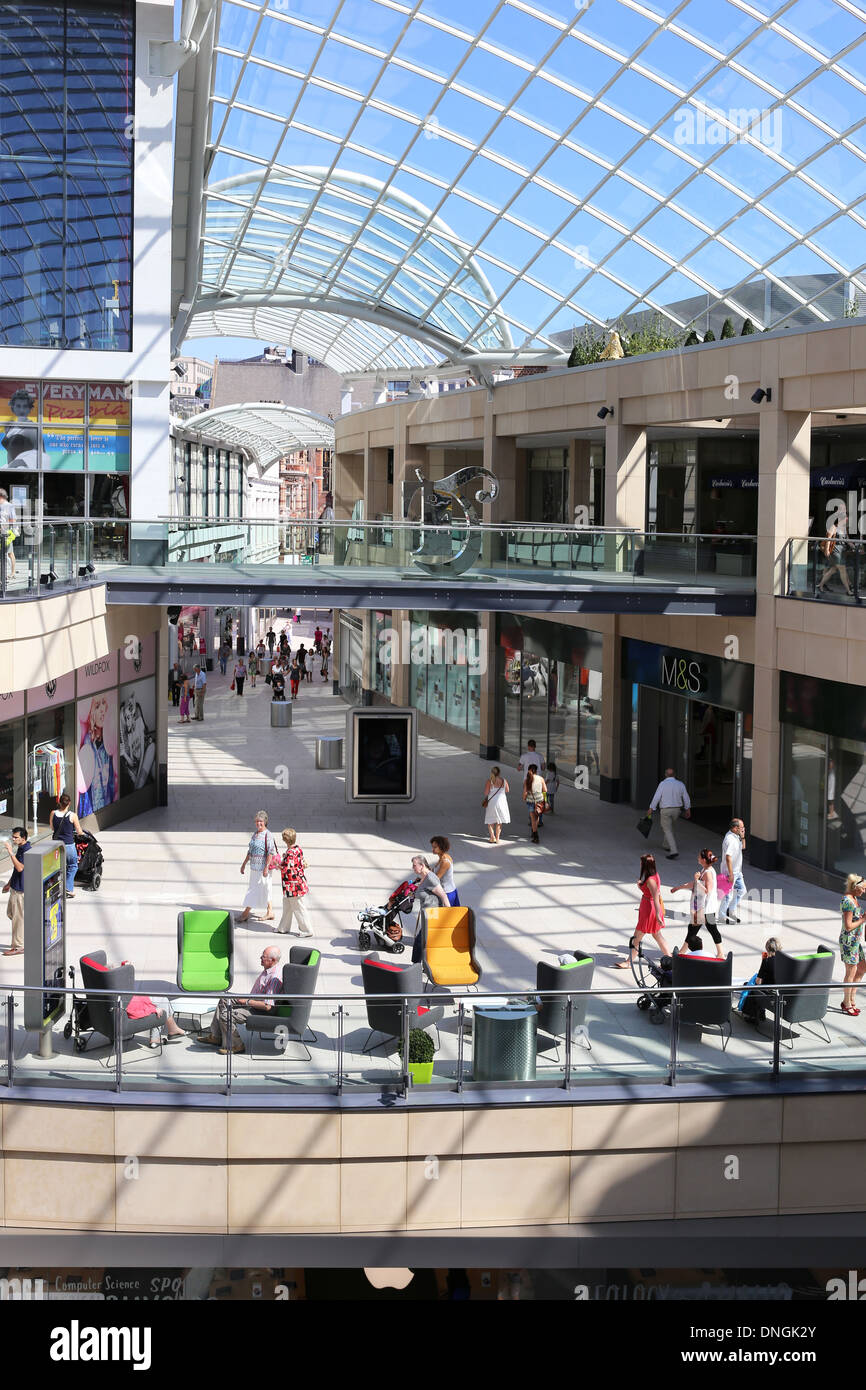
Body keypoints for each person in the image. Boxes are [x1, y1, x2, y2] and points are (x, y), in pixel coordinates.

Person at [198, 945, 283, 1055]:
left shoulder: (275, 978)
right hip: (253, 1001)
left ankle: (236, 1045)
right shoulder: (269, 969)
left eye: (263, 956)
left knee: (226, 1015)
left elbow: (268, 1006)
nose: (260, 958)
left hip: (259, 1009)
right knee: (225, 999)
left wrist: (247, 1002)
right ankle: (216, 1036)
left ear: (272, 960)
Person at [616, 852, 672, 969]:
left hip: (649, 910)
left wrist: (657, 914)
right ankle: (670, 958)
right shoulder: (654, 875)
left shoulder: (651, 879)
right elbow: (652, 893)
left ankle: (628, 962)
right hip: (648, 907)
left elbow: (655, 897)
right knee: (657, 935)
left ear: (645, 864)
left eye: (641, 862)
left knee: (636, 938)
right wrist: (641, 885)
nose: (640, 864)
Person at [670, 848, 723, 958]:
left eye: (699, 857)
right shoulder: (705, 870)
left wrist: (697, 880)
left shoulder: (708, 873)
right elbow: (694, 884)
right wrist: (679, 887)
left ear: (704, 859)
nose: (697, 858)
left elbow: (707, 890)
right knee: (696, 929)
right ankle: (682, 952)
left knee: (706, 929)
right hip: (704, 908)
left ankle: (720, 953)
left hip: (706, 908)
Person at [238, 811, 279, 924]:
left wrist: (266, 867)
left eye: (260, 821)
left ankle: (246, 913)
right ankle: (270, 911)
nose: (258, 823)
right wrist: (243, 864)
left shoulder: (268, 835)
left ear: (265, 821)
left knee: (254, 889)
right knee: (264, 888)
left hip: (263, 869)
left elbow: (271, 852)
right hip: (254, 868)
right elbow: (250, 851)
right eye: (256, 821)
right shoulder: (255, 834)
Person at [77, 694, 115, 815]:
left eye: (104, 705)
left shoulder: (110, 741)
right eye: (98, 706)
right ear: (92, 712)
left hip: (108, 801)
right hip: (93, 805)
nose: (102, 710)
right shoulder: (88, 741)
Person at [276, 828, 313, 936]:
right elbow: (297, 863)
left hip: (292, 887)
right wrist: (284, 857)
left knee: (299, 908)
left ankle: (307, 930)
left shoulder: (290, 853)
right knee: (287, 906)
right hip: (297, 884)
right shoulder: (297, 849)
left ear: (285, 840)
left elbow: (287, 869)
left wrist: (277, 864)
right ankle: (283, 928)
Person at [648, 767, 691, 859]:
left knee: (667, 829)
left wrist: (651, 808)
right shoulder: (680, 784)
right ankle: (666, 845)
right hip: (677, 810)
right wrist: (687, 809)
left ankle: (673, 850)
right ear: (674, 775)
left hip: (665, 810)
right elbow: (686, 797)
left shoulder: (662, 784)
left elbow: (657, 797)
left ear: (666, 775)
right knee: (669, 827)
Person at [839, 874, 866, 1015]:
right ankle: (846, 1002)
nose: (864, 891)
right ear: (855, 888)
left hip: (856, 941)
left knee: (862, 968)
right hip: (848, 942)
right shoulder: (847, 901)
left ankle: (852, 998)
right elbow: (849, 926)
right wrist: (863, 920)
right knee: (851, 972)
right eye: (863, 889)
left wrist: (862, 919)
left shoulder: (854, 899)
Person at [739, 937, 782, 1024]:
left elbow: (758, 981)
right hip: (781, 993)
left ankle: (753, 1016)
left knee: (751, 987)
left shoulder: (766, 961)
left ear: (767, 949)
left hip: (769, 993)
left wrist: (763, 961)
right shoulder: (784, 961)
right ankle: (761, 1012)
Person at [2, 827, 29, 955]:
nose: (13, 839)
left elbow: (19, 868)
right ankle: (22, 938)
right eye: (13, 837)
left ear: (23, 838)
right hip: (15, 886)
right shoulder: (21, 848)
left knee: (18, 919)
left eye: (16, 837)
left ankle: (18, 946)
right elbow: (15, 870)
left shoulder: (27, 851)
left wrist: (10, 852)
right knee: (11, 914)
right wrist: (9, 883)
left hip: (20, 890)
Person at [50, 794, 82, 897]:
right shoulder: (73, 815)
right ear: (69, 803)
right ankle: (68, 888)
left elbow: (52, 828)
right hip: (68, 845)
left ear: (59, 802)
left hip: (55, 845)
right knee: (72, 866)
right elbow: (79, 831)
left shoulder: (53, 813)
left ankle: (53, 888)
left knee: (57, 867)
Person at [818, 509, 852, 596]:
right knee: (842, 570)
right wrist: (826, 551)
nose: (847, 519)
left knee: (833, 570)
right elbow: (828, 539)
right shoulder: (834, 527)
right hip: (835, 552)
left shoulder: (844, 528)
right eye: (845, 517)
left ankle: (820, 585)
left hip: (842, 552)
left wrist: (855, 547)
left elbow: (847, 540)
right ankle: (849, 590)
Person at [719, 817, 747, 923]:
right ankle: (722, 916)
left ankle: (730, 910)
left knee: (741, 890)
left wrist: (743, 837)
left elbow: (743, 847)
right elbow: (728, 857)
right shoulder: (730, 839)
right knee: (727, 895)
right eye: (741, 827)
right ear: (735, 828)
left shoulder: (737, 836)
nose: (743, 829)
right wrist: (730, 874)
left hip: (737, 871)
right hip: (730, 872)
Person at [483, 766, 510, 844]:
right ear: (499, 773)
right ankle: (497, 838)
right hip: (502, 802)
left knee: (490, 820)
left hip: (492, 803)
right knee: (499, 821)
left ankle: (492, 837)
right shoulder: (504, 781)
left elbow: (486, 793)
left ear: (492, 772)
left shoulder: (489, 781)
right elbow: (507, 790)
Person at [430, 835, 459, 907]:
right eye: (432, 846)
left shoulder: (445, 861)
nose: (432, 849)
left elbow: (436, 879)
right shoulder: (441, 857)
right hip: (444, 891)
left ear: (441, 847)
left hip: (447, 893)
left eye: (435, 847)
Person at [522, 763, 548, 844]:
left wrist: (524, 798)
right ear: (536, 770)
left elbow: (525, 792)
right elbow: (545, 790)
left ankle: (535, 835)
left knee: (533, 819)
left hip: (530, 801)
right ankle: (534, 832)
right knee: (536, 819)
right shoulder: (541, 779)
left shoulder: (527, 779)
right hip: (539, 801)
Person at [0, 488, 17, 579]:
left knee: (10, 553)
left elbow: (13, 519)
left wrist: (7, 527)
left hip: (6, 533)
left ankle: (12, 572)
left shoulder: (9, 506)